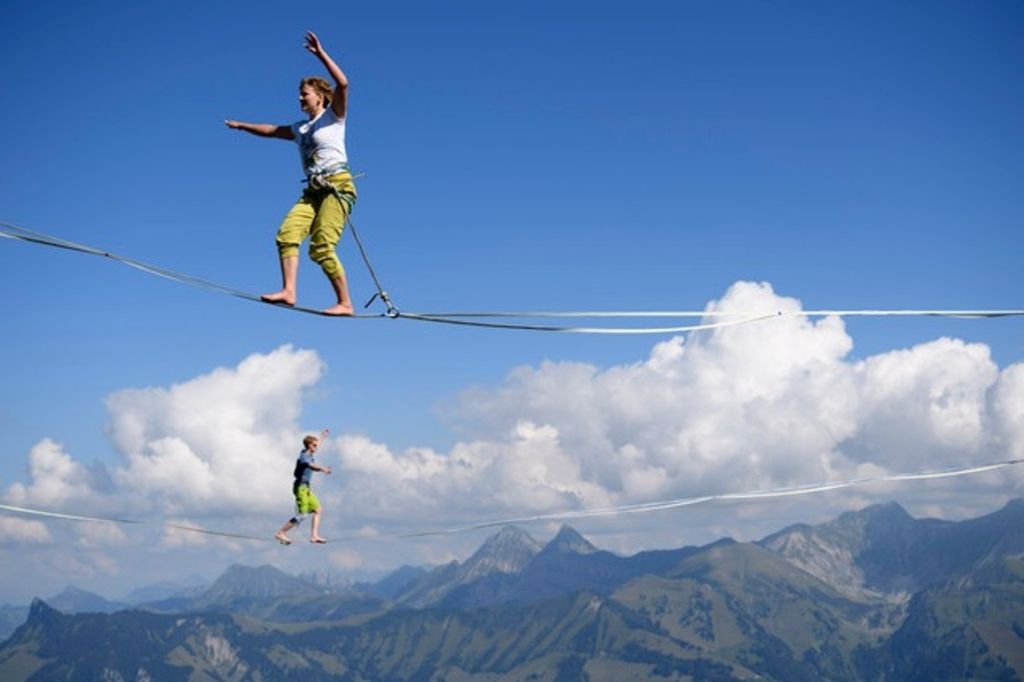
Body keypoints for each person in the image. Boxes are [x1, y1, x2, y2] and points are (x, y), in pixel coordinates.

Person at [226, 31, 357, 316]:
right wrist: (241, 126)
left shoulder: (334, 116)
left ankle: (345, 302)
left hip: (337, 186)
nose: (300, 98)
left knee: (321, 246)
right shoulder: (300, 129)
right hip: (312, 192)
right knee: (286, 235)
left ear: (320, 97)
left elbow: (343, 84)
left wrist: (321, 54)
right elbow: (271, 131)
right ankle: (289, 291)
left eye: (304, 94)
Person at [275, 431, 332, 545]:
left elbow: (316, 445)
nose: (316, 447)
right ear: (309, 446)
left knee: (318, 509)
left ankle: (314, 536)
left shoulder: (309, 453)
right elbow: (312, 466)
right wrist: (323, 469)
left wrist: (322, 437)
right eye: (314, 445)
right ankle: (280, 533)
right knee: (302, 515)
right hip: (301, 488)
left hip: (306, 489)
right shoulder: (304, 457)